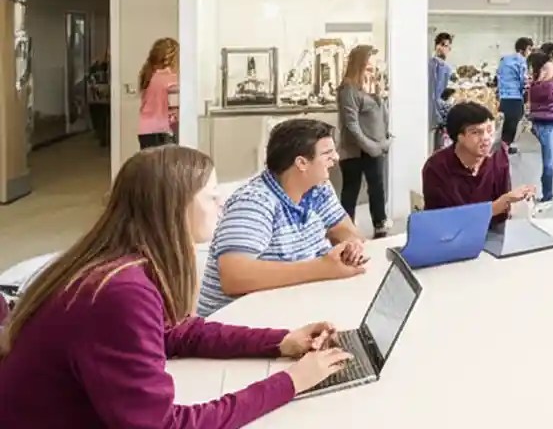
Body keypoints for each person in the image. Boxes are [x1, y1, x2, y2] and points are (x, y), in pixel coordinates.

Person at [0, 146, 352, 428]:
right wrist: (291, 382)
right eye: (211, 195)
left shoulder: (122, 263)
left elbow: (177, 331)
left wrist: (280, 341)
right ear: (176, 209)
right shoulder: (120, 292)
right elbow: (164, 425)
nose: (222, 203)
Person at [197, 119, 368, 317]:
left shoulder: (319, 188)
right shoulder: (254, 201)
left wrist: (351, 245)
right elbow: (234, 276)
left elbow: (344, 229)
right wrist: (321, 269)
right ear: (301, 163)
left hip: (289, 307)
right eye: (327, 153)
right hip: (236, 324)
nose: (336, 158)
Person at [421, 101, 536, 225]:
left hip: (494, 232)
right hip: (452, 236)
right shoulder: (437, 167)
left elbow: (504, 208)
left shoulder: (498, 154)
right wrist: (494, 208)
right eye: (476, 132)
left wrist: (518, 199)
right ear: (459, 137)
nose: (486, 138)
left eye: (489, 130)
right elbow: (443, 220)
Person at [337, 45, 392, 238]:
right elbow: (351, 124)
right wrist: (371, 147)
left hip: (375, 148)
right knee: (351, 191)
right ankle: (345, 231)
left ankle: (380, 223)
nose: (374, 64)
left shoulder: (368, 88)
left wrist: (383, 142)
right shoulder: (348, 89)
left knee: (377, 188)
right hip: (356, 151)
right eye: (370, 60)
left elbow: (381, 117)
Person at [527, 51, 553, 210]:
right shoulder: (537, 85)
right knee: (549, 161)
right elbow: (552, 95)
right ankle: (547, 195)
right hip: (544, 123)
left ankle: (548, 192)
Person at [137, 37, 179, 148]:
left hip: (146, 130)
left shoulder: (149, 75)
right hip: (162, 132)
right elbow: (174, 111)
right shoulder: (170, 79)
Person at [496, 37, 534, 152]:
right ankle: (505, 147)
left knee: (506, 122)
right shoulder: (521, 61)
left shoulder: (504, 60)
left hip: (503, 95)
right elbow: (523, 79)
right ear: (526, 49)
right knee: (513, 123)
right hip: (515, 96)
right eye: (530, 49)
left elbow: (498, 76)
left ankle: (502, 146)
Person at [429, 32, 454, 151]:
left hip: (436, 109)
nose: (448, 49)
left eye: (449, 47)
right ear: (438, 46)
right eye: (446, 46)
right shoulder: (435, 65)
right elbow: (434, 92)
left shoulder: (443, 67)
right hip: (434, 110)